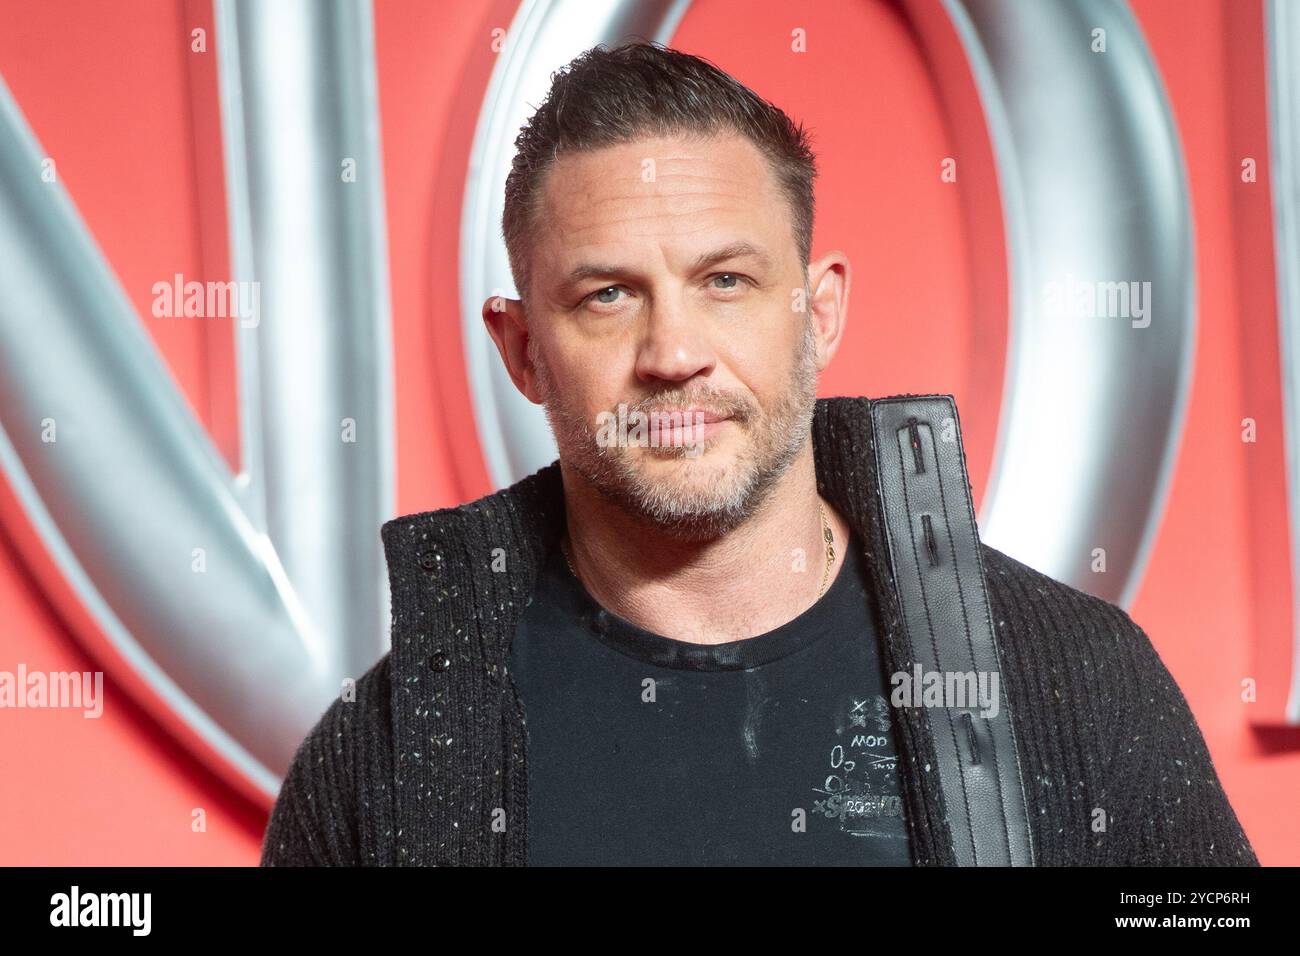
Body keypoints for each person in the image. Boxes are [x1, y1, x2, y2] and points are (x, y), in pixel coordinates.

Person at [261, 40, 1256, 866]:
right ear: (523, 349)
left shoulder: (1074, 681)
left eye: (725, 280)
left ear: (818, 312)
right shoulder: (382, 763)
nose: (673, 355)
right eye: (606, 295)